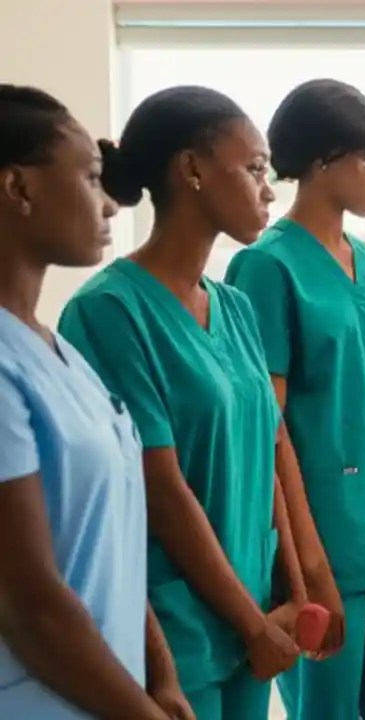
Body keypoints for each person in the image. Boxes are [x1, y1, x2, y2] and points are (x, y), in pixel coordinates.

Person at [56, 86, 306, 719]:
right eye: (253, 168)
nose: (268, 189)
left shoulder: (236, 307)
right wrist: (249, 623)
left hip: (258, 616)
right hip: (179, 628)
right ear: (191, 169)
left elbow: (266, 449)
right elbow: (160, 489)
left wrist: (293, 592)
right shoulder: (109, 311)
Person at [224, 78, 365, 719]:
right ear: (320, 161)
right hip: (327, 545)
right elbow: (268, 431)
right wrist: (304, 569)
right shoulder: (267, 268)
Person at [0, 84, 192, 720]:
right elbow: (29, 606)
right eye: (88, 178)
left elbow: (112, 536)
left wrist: (160, 679)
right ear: (18, 189)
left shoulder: (59, 354)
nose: (110, 202)